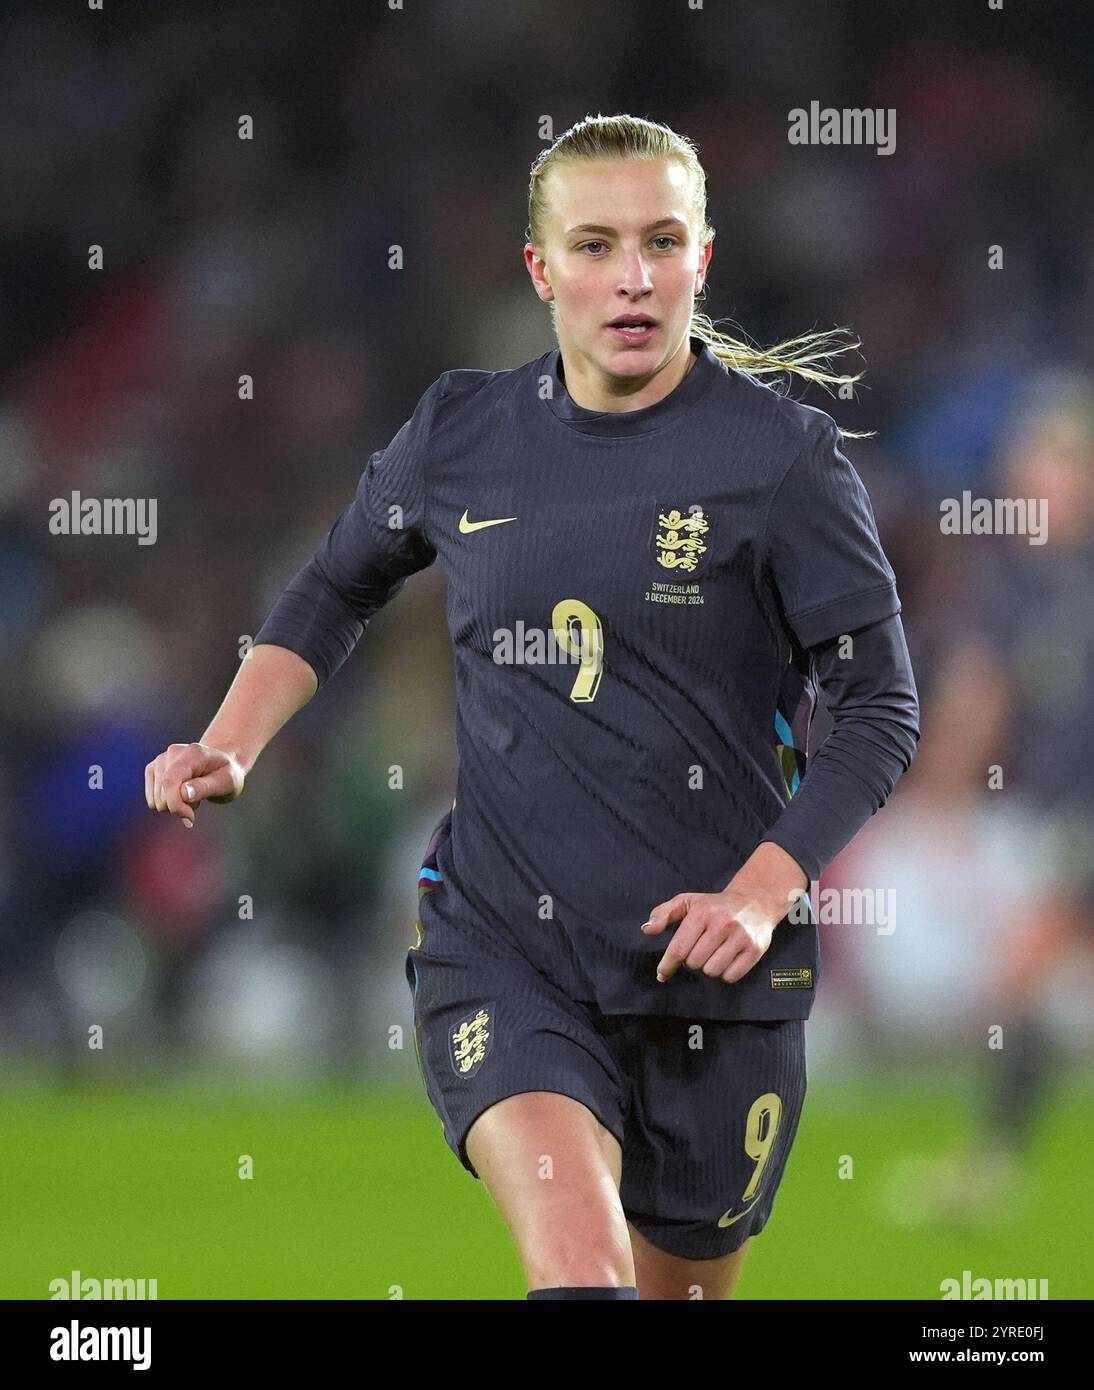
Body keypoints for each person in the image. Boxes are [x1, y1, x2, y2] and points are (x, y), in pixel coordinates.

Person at [144, 114, 920, 1300]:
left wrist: (763, 891)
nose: (631, 277)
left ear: (701, 259)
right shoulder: (460, 431)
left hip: (708, 972)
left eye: (662, 241)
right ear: (539, 266)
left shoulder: (781, 460)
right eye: (595, 243)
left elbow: (877, 708)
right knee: (575, 1268)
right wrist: (230, 738)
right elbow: (333, 586)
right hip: (507, 945)